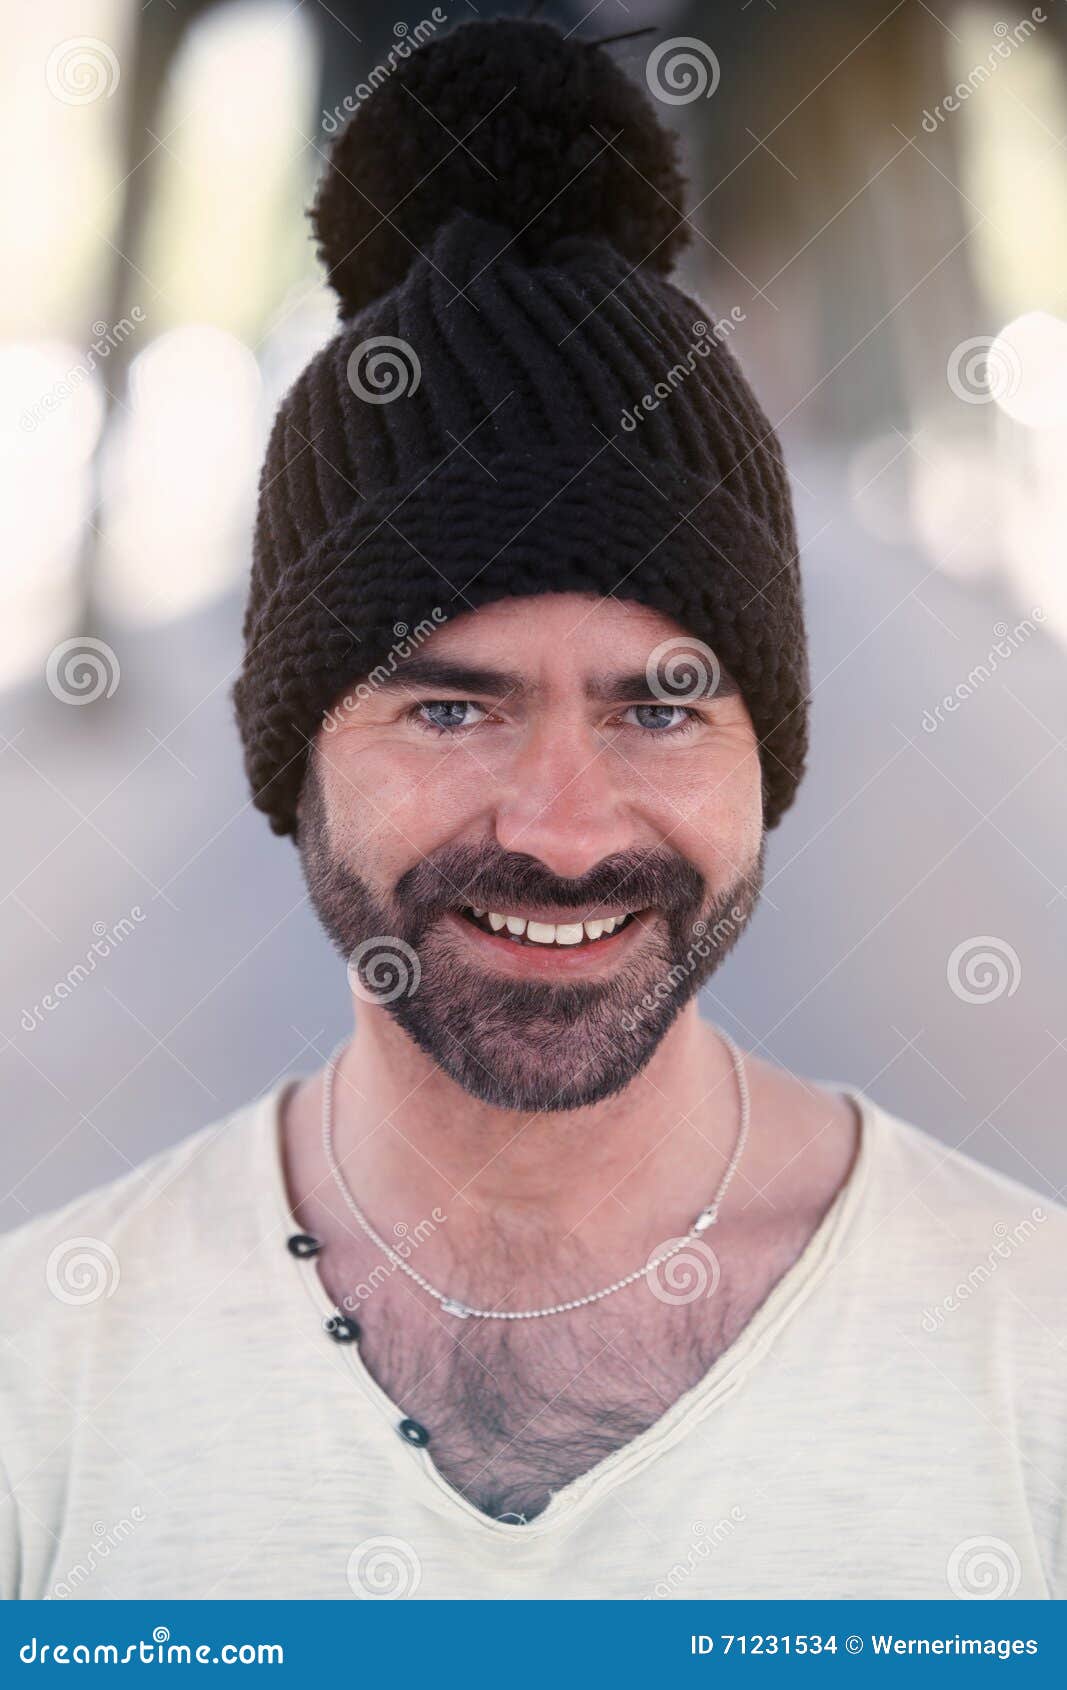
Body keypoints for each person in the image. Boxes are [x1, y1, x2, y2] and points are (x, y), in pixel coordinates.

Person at [1, 14, 1063, 1602]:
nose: (564, 831)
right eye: (450, 705)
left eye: (660, 704)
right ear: (289, 752)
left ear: (768, 751)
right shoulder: (42, 1386)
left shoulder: (1030, 1349)